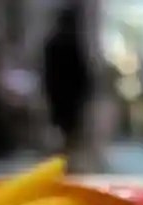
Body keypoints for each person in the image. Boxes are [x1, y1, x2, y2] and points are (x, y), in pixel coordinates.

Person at [43, 5, 92, 161]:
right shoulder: (74, 42)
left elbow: (47, 71)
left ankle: (61, 156)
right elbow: (82, 71)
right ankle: (67, 156)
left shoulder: (52, 42)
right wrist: (86, 92)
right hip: (73, 95)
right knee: (71, 127)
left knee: (60, 125)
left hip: (57, 93)